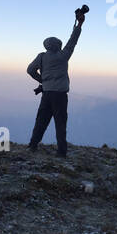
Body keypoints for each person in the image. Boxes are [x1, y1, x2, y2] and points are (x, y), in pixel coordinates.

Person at [27, 10, 84, 157]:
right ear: (58, 45)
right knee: (60, 123)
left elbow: (30, 70)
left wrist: (42, 81)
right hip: (60, 95)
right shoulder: (63, 55)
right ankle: (61, 152)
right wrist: (80, 24)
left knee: (41, 120)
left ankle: (33, 145)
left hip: (46, 94)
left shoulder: (41, 57)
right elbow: (73, 41)